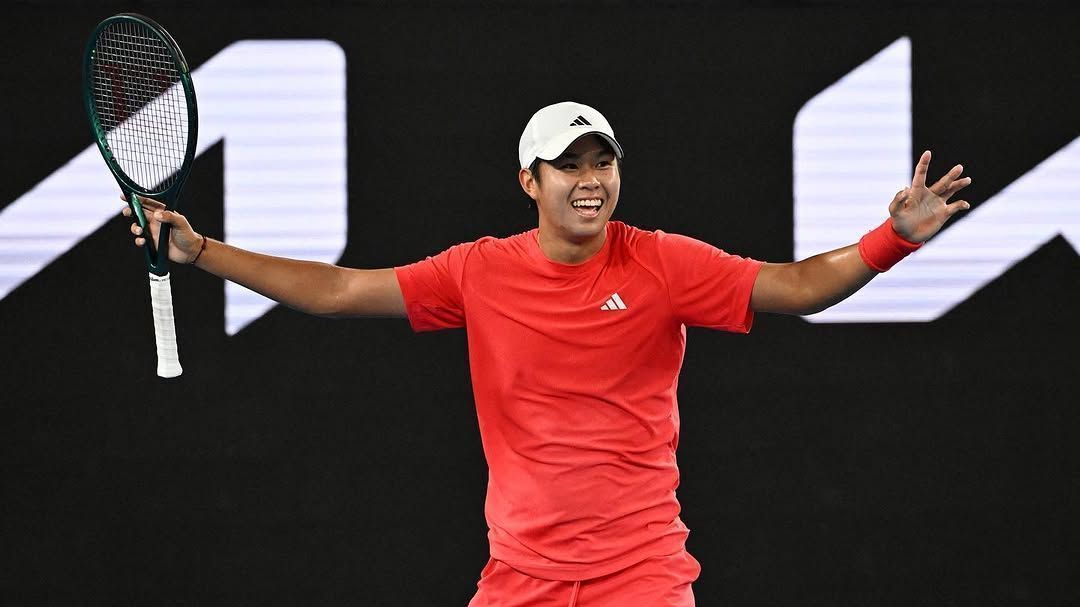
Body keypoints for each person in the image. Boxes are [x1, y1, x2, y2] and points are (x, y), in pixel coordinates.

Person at [124, 101, 971, 606]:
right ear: (530, 181)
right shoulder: (478, 271)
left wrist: (889, 241)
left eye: (602, 160)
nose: (589, 177)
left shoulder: (662, 262)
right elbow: (340, 290)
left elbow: (794, 286)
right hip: (520, 578)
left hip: (640, 577)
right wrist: (204, 253)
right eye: (567, 164)